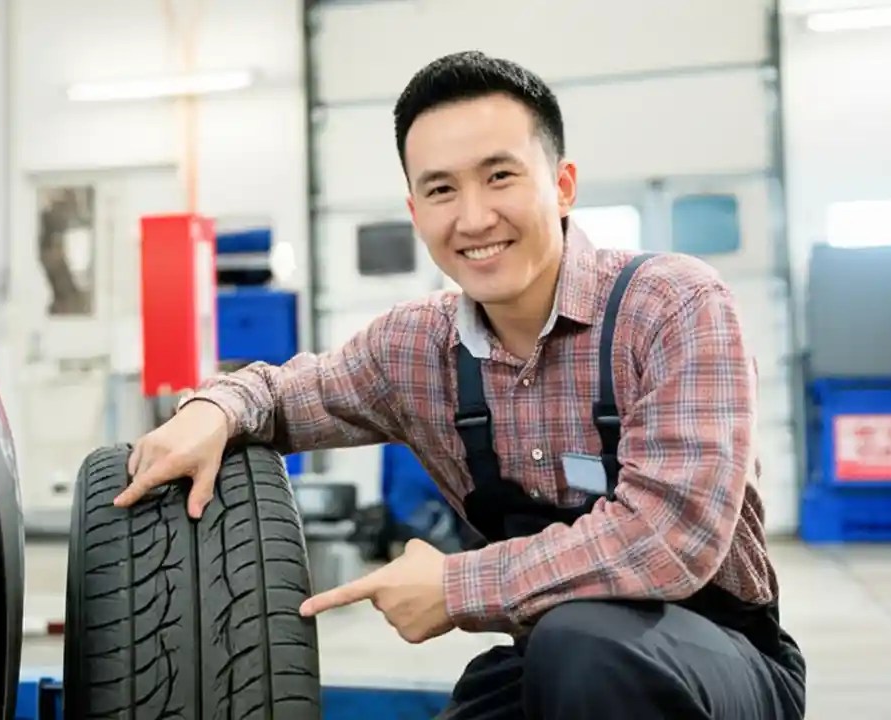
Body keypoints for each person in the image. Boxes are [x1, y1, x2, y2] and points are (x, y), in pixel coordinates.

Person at [114, 50, 807, 720]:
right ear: (416, 213)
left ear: (562, 185)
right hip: (551, 659)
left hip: (718, 662)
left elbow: (670, 539)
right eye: (442, 189)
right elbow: (289, 392)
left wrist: (454, 585)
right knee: (556, 658)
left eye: (500, 176)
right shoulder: (416, 348)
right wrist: (211, 407)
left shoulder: (675, 307)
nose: (473, 218)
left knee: (583, 651)